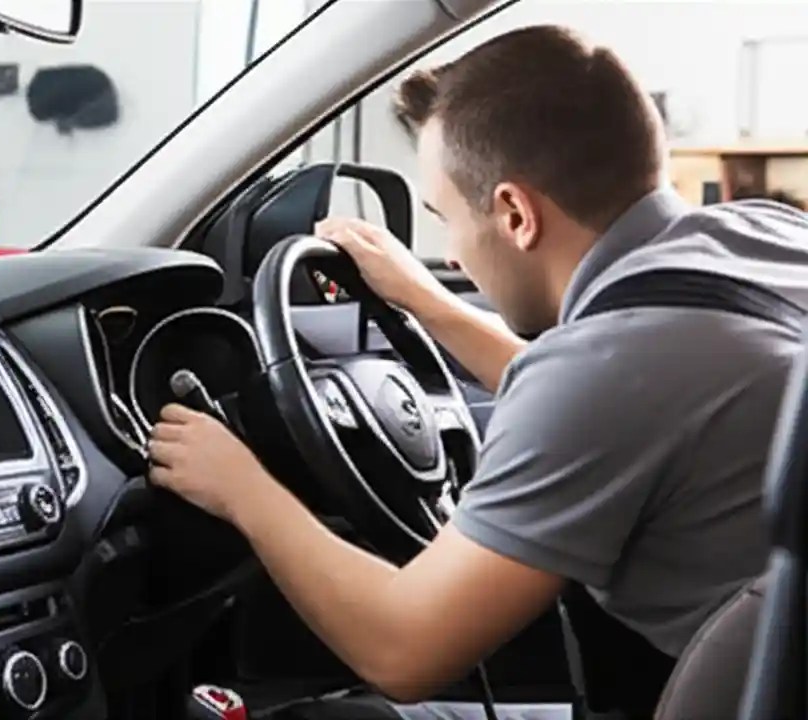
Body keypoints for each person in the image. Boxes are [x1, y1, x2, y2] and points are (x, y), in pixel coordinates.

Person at [146, 23, 808, 718]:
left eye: (447, 217)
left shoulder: (601, 375)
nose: (454, 257)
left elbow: (404, 650)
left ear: (516, 213)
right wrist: (428, 303)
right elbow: (623, 396)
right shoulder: (763, 234)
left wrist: (242, 489)